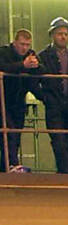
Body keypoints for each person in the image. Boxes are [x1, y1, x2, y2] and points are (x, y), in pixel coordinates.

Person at [37, 17, 68, 174]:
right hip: (54, 106)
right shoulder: (43, 57)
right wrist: (45, 98)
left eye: (65, 33)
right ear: (52, 35)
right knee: (58, 140)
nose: (63, 37)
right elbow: (33, 81)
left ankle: (66, 172)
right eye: (60, 33)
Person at [0, 29, 42, 172]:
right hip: (2, 101)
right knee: (8, 133)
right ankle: (11, 163)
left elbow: (41, 71)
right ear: (15, 42)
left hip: (19, 103)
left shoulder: (31, 55)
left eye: (27, 45)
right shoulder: (3, 52)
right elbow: (3, 67)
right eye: (22, 44)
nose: (25, 48)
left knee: (16, 134)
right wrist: (22, 65)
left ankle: (7, 166)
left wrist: (35, 65)